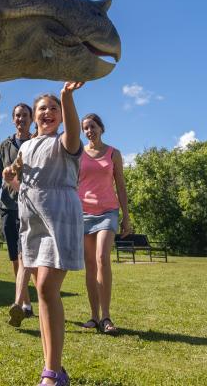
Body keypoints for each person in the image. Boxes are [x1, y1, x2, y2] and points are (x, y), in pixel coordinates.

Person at [3, 83, 84, 386]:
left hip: (59, 220)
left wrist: (67, 97)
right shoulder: (25, 147)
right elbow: (23, 186)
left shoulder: (65, 141)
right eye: (42, 109)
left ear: (61, 116)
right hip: (31, 223)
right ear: (34, 117)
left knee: (48, 287)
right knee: (43, 294)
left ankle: (51, 373)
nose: (47, 112)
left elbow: (75, 131)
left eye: (53, 109)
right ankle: (54, 370)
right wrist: (11, 179)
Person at [78, 112, 131, 335]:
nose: (89, 131)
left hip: (108, 210)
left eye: (92, 126)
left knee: (102, 257)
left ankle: (107, 316)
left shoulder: (113, 153)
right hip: (82, 212)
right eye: (85, 128)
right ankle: (94, 316)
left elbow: (120, 185)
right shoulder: (78, 153)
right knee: (90, 264)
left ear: (101, 128)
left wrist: (126, 216)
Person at [0, 103, 35, 326]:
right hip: (8, 207)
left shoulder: (38, 142)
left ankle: (30, 300)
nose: (21, 119)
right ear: (13, 119)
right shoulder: (5, 145)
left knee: (28, 255)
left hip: (32, 206)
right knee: (14, 256)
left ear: (32, 118)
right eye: (17, 115)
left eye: (25, 115)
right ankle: (25, 304)